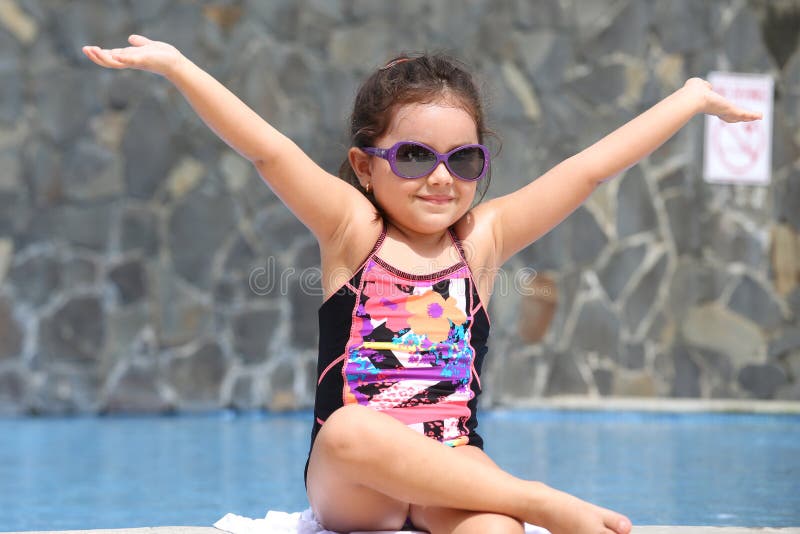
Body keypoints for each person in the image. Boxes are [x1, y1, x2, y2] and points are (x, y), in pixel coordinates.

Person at [83, 34, 760, 534]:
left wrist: (689, 100)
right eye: (413, 156)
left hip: (451, 470)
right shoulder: (353, 231)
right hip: (356, 486)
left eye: (463, 159)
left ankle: (516, 509)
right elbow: (267, 149)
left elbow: (586, 172)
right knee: (348, 428)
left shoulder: (481, 243)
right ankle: (540, 500)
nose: (441, 177)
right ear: (365, 165)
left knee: (495, 530)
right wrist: (177, 67)